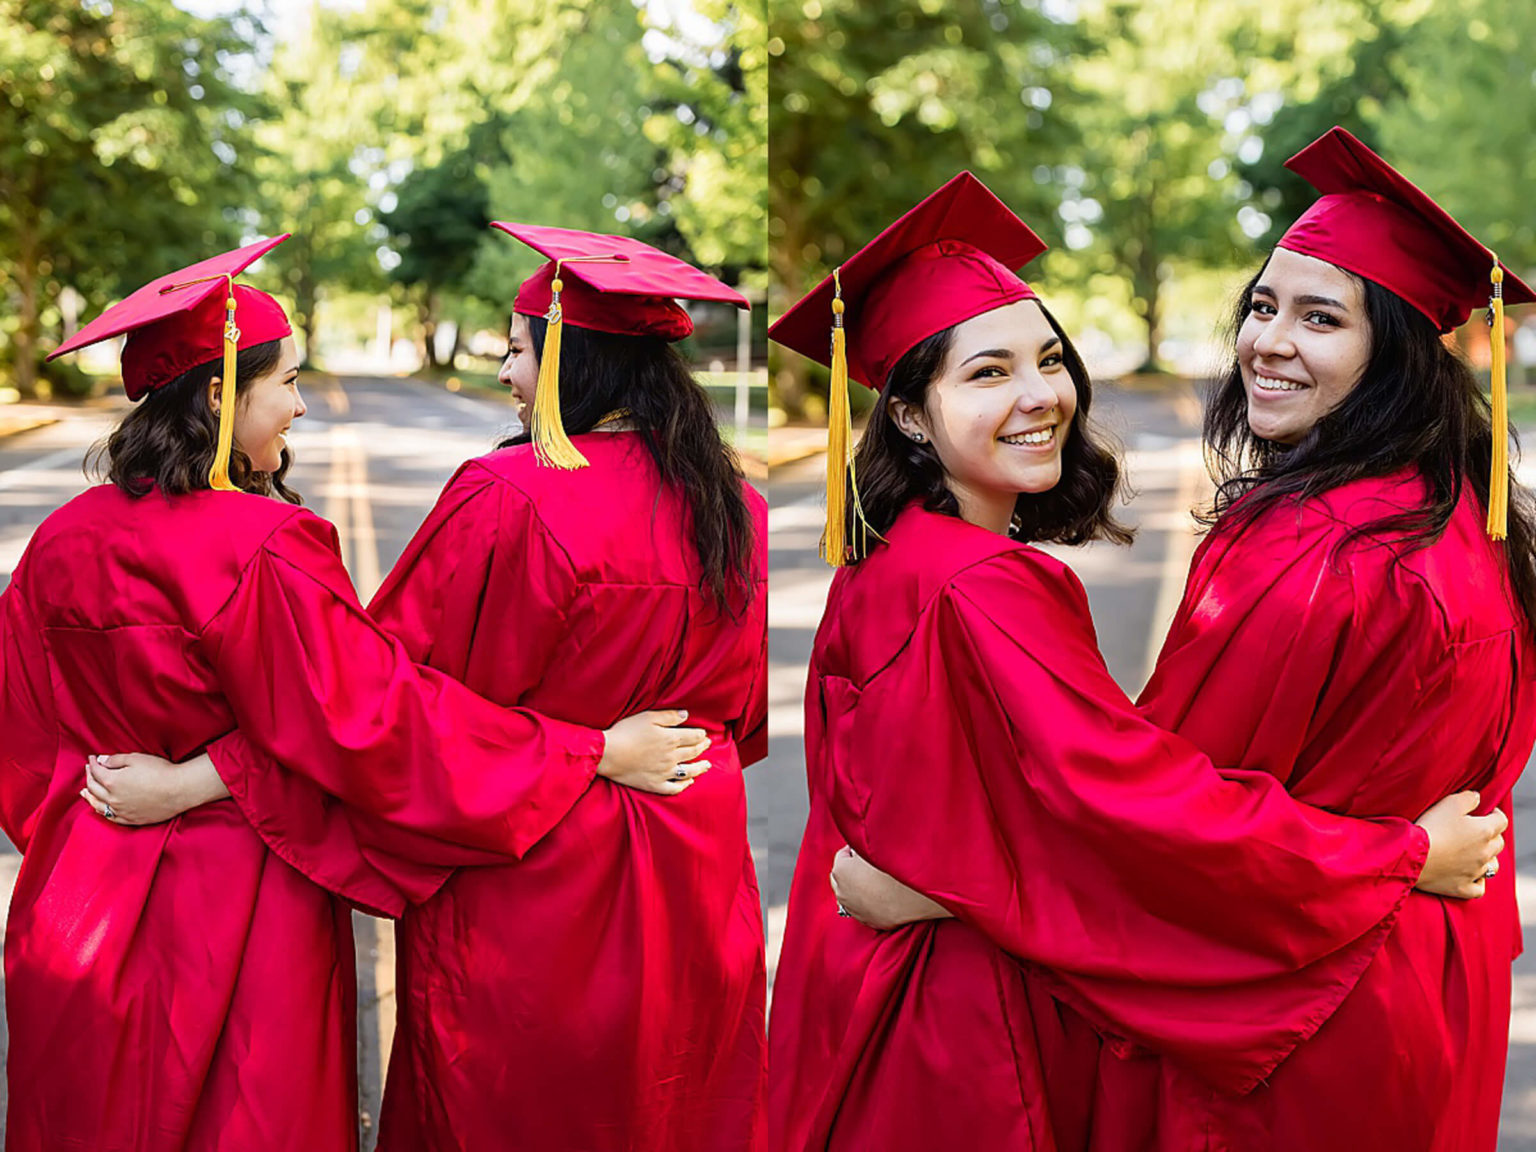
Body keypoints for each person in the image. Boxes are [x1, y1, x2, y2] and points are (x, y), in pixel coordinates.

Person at [763, 172, 1508, 1152]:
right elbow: (1128, 808)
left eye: (1047, 361)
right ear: (907, 415)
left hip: (1295, 1013)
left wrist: (939, 882)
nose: (1041, 396)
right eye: (987, 373)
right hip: (1335, 993)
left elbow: (1127, 804)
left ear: (1400, 352)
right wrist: (1405, 854)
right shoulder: (1461, 523)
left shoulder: (894, 557)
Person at [0, 236, 706, 1152]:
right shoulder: (266, 545)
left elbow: (22, 748)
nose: (300, 403)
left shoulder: (58, 541)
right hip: (240, 907)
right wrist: (594, 750)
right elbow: (374, 724)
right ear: (220, 395)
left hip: (80, 896)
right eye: (287, 381)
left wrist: (100, 819)